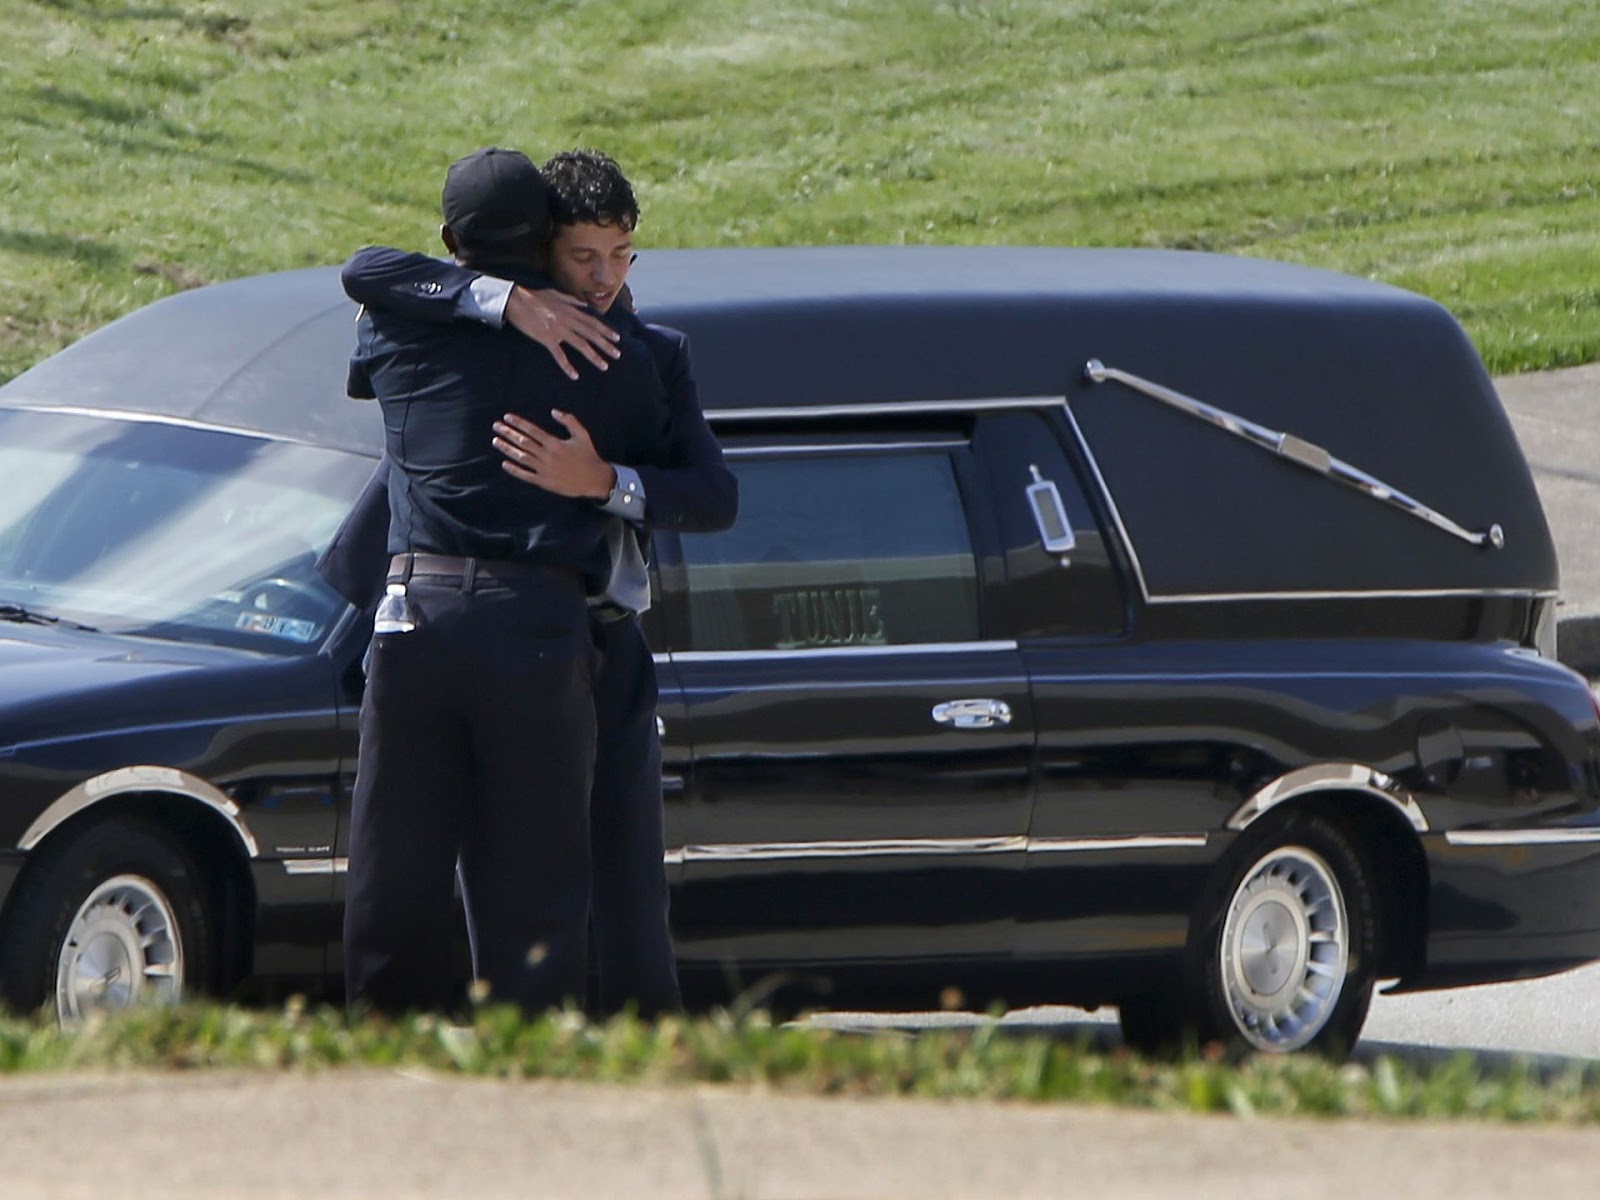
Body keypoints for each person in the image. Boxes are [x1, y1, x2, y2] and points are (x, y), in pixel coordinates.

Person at [328, 149, 736, 1017]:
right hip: (541, 632)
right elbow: (373, 272)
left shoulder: (404, 331)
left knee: (425, 861)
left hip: (516, 631)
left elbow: (366, 272)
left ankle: (406, 1050)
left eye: (621, 256)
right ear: (543, 246)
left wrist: (604, 481)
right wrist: (509, 304)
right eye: (582, 257)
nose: (601, 279)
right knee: (534, 882)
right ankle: (530, 1053)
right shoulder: (620, 359)